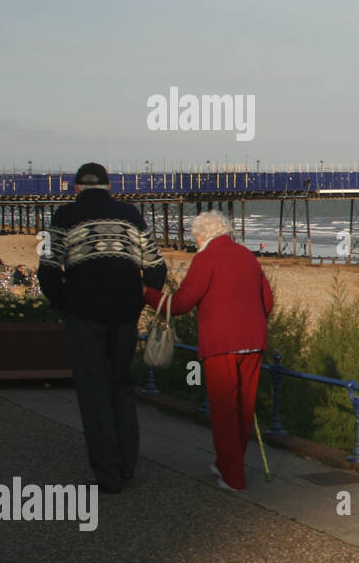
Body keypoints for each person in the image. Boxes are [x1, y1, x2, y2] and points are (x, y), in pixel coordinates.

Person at [37, 163, 167, 493]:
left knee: (93, 394)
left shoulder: (62, 217)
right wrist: (136, 302)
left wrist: (69, 305)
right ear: (109, 185)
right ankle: (127, 466)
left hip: (84, 317)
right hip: (124, 318)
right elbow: (156, 267)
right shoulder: (132, 215)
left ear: (76, 187)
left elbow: (48, 272)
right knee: (121, 388)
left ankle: (107, 473)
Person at [144, 211, 273, 492]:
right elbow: (268, 301)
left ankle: (233, 476)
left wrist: (147, 294)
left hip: (221, 344)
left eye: (195, 237)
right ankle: (227, 462)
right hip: (253, 341)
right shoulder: (247, 256)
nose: (195, 242)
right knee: (243, 407)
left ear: (202, 235)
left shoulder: (205, 259)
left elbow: (180, 304)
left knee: (224, 409)